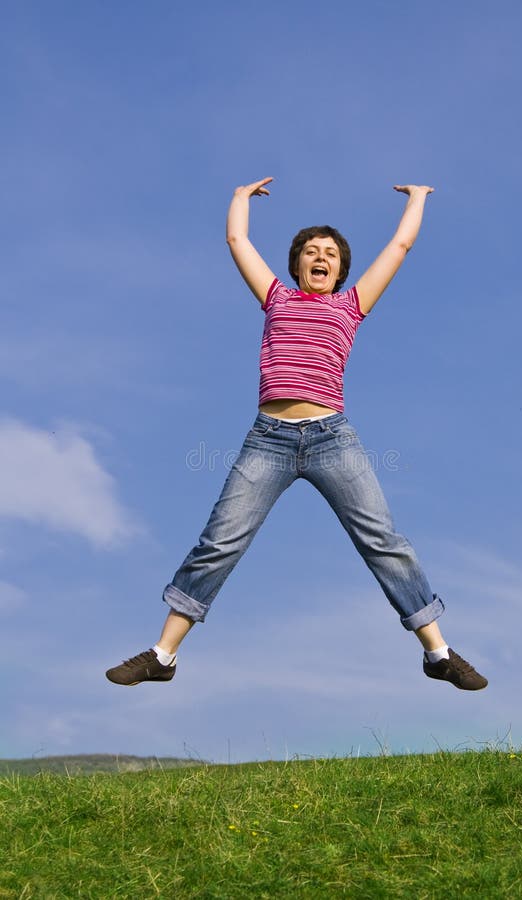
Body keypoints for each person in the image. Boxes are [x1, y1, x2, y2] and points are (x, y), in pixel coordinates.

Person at [106, 178, 487, 692]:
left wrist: (417, 200)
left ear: (341, 270)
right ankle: (162, 655)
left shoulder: (351, 306)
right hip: (269, 440)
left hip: (332, 440)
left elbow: (399, 246)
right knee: (220, 541)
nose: (320, 257)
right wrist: (239, 199)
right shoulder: (276, 299)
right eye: (311, 251)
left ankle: (438, 653)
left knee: (383, 541)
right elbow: (238, 242)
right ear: (297, 265)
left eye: (330, 253)